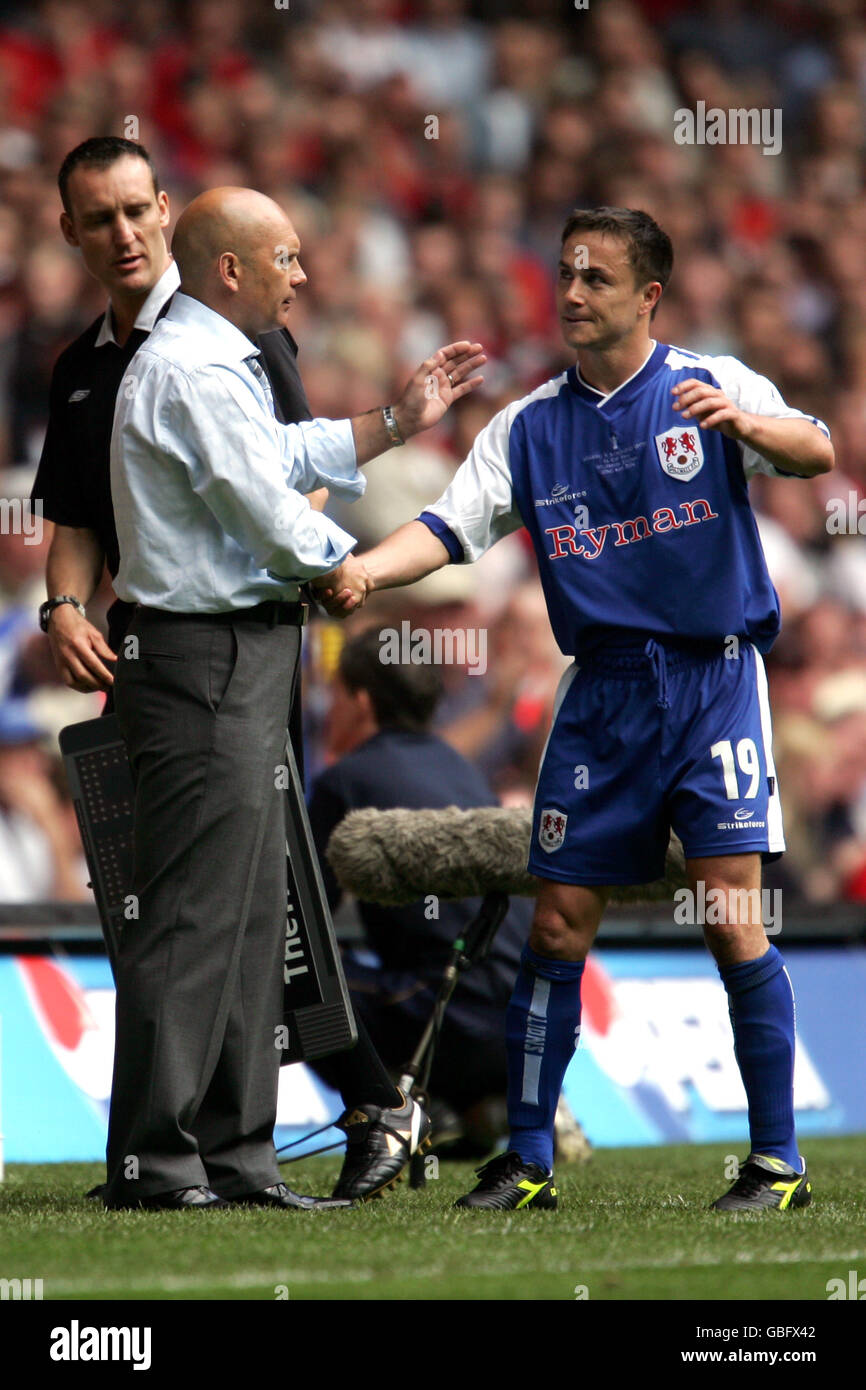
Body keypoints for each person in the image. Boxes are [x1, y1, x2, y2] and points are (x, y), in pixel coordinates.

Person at [314, 206, 834, 1214]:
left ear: (646, 295)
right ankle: (527, 1157)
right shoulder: (528, 426)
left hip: (709, 682)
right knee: (555, 923)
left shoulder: (710, 383)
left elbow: (811, 450)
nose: (571, 293)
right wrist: (362, 574)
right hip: (598, 694)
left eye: (595, 278)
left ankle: (775, 1162)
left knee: (729, 917)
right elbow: (447, 527)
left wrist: (748, 426)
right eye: (563, 275)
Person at [32, 137, 468, 1203]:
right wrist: (346, 569)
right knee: (190, 911)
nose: (302, 277)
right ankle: (157, 1155)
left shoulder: (221, 341)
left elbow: (285, 459)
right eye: (102, 217)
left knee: (244, 911)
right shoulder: (154, 361)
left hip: (245, 645)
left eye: (139, 209)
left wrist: (394, 425)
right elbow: (257, 506)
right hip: (201, 647)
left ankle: (235, 1151)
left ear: (165, 214)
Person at [308, 626, 534, 1162]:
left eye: (335, 694)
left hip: (446, 1020)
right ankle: (469, 1109)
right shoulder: (459, 766)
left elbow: (302, 919)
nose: (328, 709)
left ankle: (390, 1114)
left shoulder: (348, 779)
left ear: (361, 701)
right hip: (524, 1028)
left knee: (296, 984)